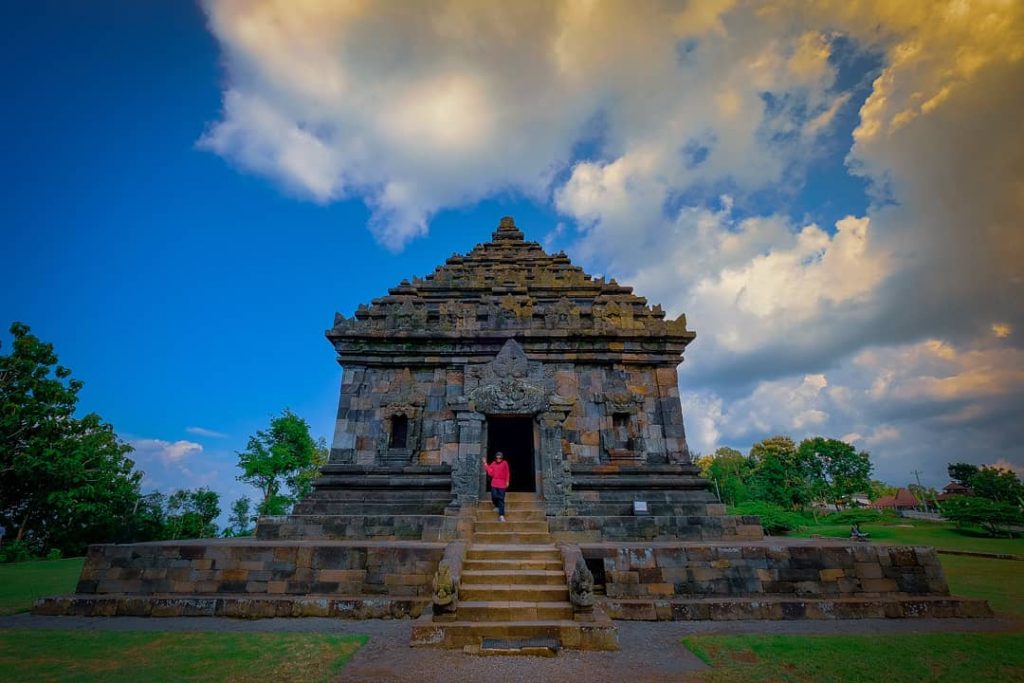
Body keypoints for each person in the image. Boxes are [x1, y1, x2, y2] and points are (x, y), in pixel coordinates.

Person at [483, 451, 510, 522]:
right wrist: (485, 464)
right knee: (494, 496)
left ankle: (501, 515)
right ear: (495, 458)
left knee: (501, 499)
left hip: (502, 483)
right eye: (497, 458)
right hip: (494, 483)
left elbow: (507, 472)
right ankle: (496, 505)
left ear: (502, 458)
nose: (498, 459)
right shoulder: (493, 463)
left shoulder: (505, 463)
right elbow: (490, 473)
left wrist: (507, 481)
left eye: (500, 458)